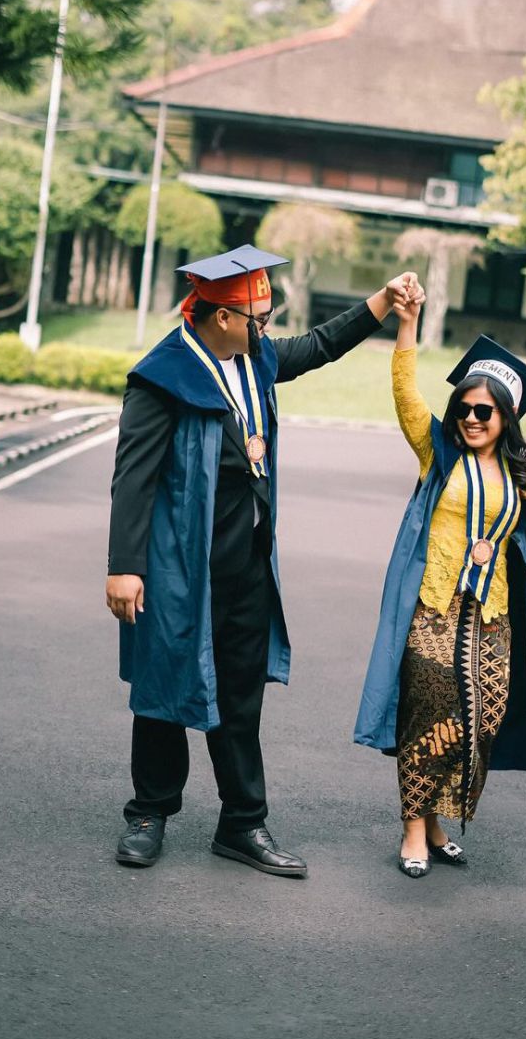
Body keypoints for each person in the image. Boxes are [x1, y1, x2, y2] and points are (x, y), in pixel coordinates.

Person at [107, 245, 413, 877]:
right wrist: (123, 565)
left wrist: (381, 303)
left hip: (244, 565)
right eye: (258, 319)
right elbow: (132, 479)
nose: (267, 329)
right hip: (175, 568)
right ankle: (149, 811)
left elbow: (318, 346)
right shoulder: (163, 377)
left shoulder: (253, 358)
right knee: (163, 688)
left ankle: (241, 823)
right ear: (220, 317)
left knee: (242, 697)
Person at [354, 278, 526, 878]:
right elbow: (406, 393)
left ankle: (435, 822)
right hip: (433, 609)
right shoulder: (439, 453)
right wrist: (407, 324)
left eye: (485, 411)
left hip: (490, 621)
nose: (472, 418)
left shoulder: (521, 479)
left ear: (506, 417)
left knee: (478, 718)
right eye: (465, 408)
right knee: (428, 712)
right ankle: (412, 829)